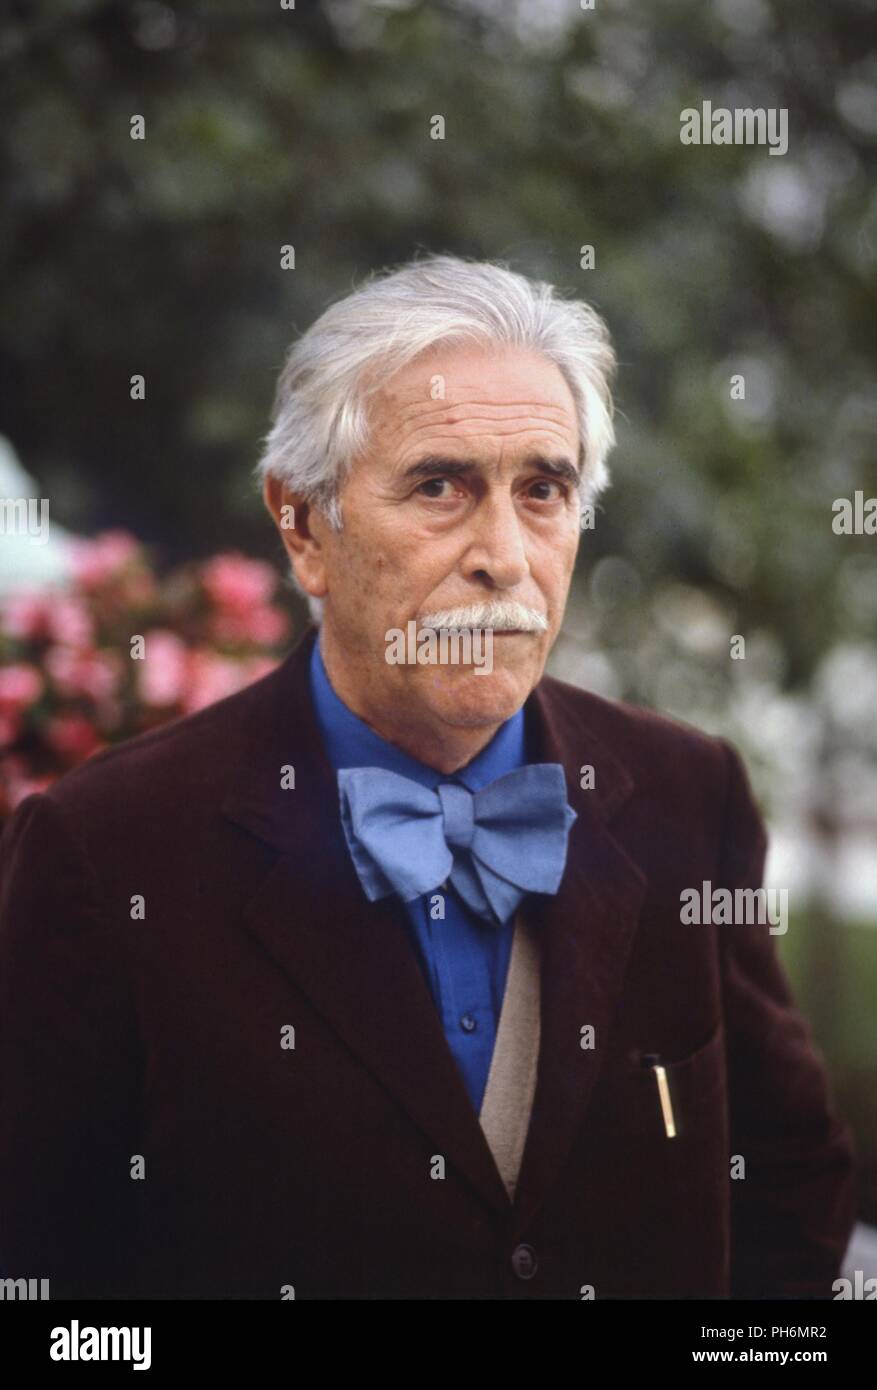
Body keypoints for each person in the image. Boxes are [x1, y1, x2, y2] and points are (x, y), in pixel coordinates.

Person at [0, 254, 856, 1299]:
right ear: (304, 526)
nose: (503, 552)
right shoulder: (108, 846)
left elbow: (789, 1184)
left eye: (543, 489)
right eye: (440, 486)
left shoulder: (688, 791)